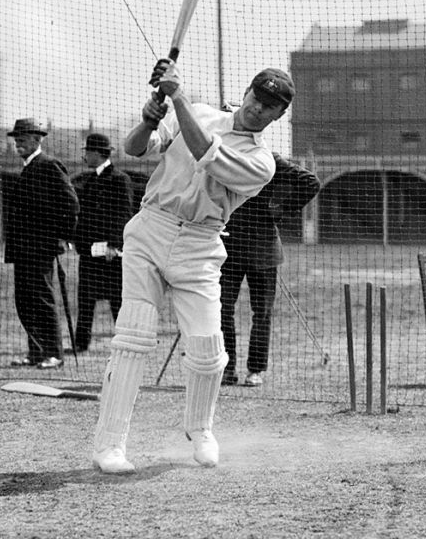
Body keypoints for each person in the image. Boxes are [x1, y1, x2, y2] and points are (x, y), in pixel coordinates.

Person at [91, 62, 293, 474]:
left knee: (207, 350)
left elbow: (207, 154)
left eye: (269, 106)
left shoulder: (261, 162)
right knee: (133, 338)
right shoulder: (200, 112)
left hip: (201, 244)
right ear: (248, 91)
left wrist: (177, 94)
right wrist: (149, 121)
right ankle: (109, 444)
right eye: (257, 97)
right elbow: (135, 148)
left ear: (277, 116)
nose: (258, 108)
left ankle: (200, 428)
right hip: (151, 226)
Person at [220, 152, 320, 387]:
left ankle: (256, 370)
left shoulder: (269, 158)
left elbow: (310, 182)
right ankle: (226, 367)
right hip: (227, 249)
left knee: (262, 313)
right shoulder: (225, 155)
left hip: (263, 250)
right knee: (221, 310)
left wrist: (282, 208)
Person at [4, 118, 78, 370]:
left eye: (23, 139)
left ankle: (54, 353)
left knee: (42, 299)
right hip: (23, 249)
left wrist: (63, 237)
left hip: (41, 248)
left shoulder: (49, 166)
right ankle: (35, 352)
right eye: (17, 140)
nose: (18, 144)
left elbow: (71, 205)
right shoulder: (28, 167)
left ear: (37, 140)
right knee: (25, 301)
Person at [70, 132, 136, 354]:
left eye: (87, 152)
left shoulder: (120, 179)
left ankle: (124, 341)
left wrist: (114, 244)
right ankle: (81, 342)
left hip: (110, 252)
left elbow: (123, 214)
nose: (85, 156)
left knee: (116, 298)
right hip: (89, 249)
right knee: (86, 298)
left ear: (97, 153)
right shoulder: (89, 179)